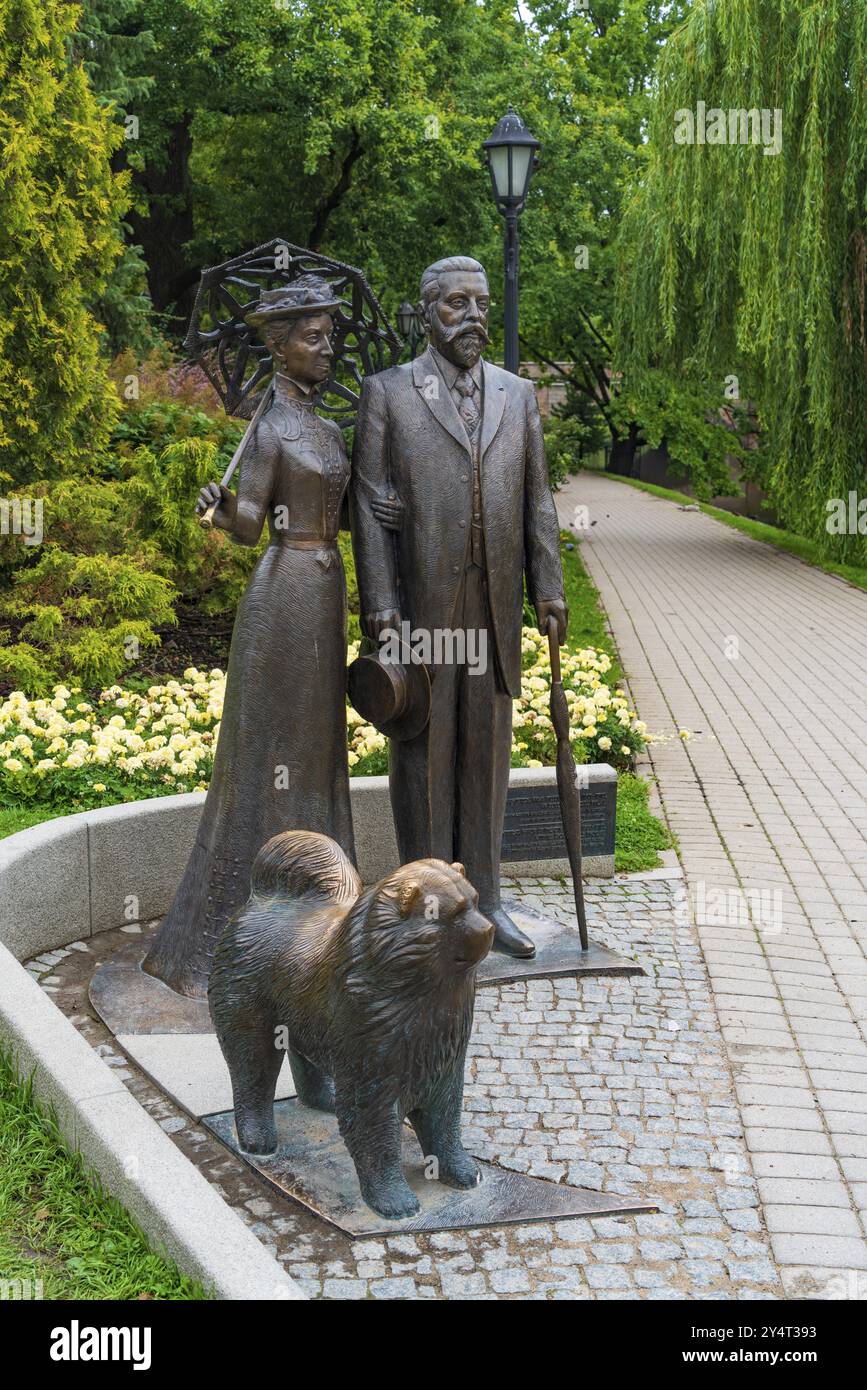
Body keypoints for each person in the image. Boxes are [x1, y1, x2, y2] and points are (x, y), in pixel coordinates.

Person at [143, 276, 399, 996]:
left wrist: (377, 504)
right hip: (283, 591)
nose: (328, 347)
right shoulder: (269, 425)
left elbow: (340, 510)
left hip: (325, 587)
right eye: (312, 337)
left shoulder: (324, 427)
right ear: (279, 345)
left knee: (316, 752)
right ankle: (235, 939)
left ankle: (322, 922)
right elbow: (251, 522)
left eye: (330, 335)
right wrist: (219, 504)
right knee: (271, 753)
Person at [350, 256, 568, 959]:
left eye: (480, 303)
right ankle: (424, 903)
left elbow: (537, 500)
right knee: (423, 754)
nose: (473, 315)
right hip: (421, 608)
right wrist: (380, 605)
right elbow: (368, 506)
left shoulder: (515, 394)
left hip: (493, 609)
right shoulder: (386, 394)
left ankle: (489, 904)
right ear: (425, 313)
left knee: (485, 757)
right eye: (455, 304)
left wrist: (550, 589)